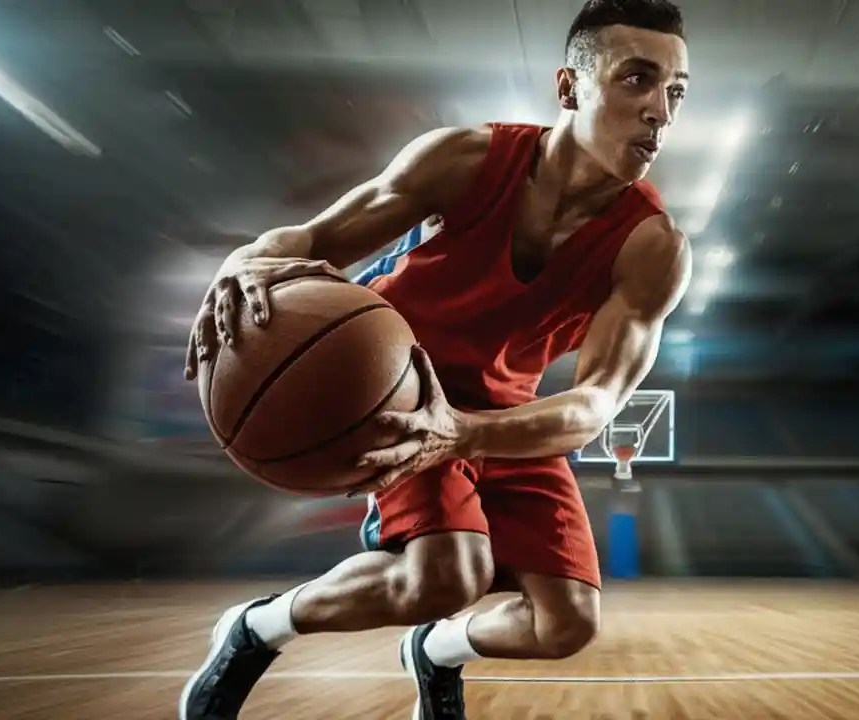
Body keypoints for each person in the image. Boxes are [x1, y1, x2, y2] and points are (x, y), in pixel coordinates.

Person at [178, 1, 691, 718]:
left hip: (502, 415)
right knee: (446, 578)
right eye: (637, 79)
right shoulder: (465, 159)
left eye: (675, 91)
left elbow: (597, 402)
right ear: (569, 87)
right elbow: (315, 236)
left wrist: (470, 433)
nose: (659, 112)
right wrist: (244, 260)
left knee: (566, 623)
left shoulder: (653, 246)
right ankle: (255, 628)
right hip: (393, 384)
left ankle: (435, 652)